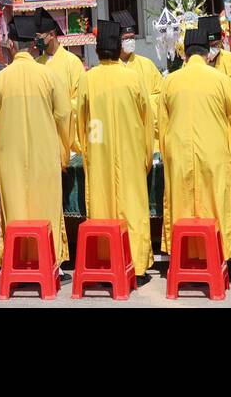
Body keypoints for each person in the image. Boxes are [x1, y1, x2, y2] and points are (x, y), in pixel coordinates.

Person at [0, 12, 73, 265]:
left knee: (16, 211)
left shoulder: (0, 79)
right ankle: (49, 261)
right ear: (33, 45)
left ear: (13, 45)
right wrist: (63, 152)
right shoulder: (48, 75)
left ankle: (18, 262)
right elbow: (64, 114)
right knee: (45, 209)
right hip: (45, 156)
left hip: (10, 161)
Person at [76, 20, 155, 276]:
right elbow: (146, 117)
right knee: (133, 207)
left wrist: (87, 150)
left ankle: (105, 262)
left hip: (99, 152)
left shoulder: (88, 80)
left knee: (102, 206)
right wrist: (145, 153)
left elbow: (82, 121)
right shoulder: (132, 78)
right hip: (131, 152)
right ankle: (137, 265)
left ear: (98, 52)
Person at [160, 27, 231, 260]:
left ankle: (184, 256)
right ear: (208, 54)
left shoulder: (170, 82)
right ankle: (217, 254)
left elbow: (162, 127)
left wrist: (168, 156)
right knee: (215, 205)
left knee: (182, 207)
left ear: (185, 55)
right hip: (214, 155)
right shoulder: (222, 80)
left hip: (179, 156)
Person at [201, 14, 231, 259]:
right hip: (203, 143)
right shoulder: (194, 65)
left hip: (227, 142)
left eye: (216, 45)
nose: (212, 51)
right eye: (208, 46)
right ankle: (207, 252)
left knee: (229, 199)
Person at [36, 9, 87, 149]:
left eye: (39, 37)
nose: (37, 41)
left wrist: (58, 112)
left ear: (52, 35)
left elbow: (80, 99)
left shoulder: (72, 62)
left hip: (68, 133)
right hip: (43, 134)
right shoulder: (36, 63)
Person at [115, 10, 164, 152]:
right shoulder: (111, 67)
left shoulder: (146, 64)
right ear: (118, 40)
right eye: (126, 38)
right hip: (122, 134)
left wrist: (143, 104)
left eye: (132, 37)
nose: (130, 41)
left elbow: (161, 95)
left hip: (146, 132)